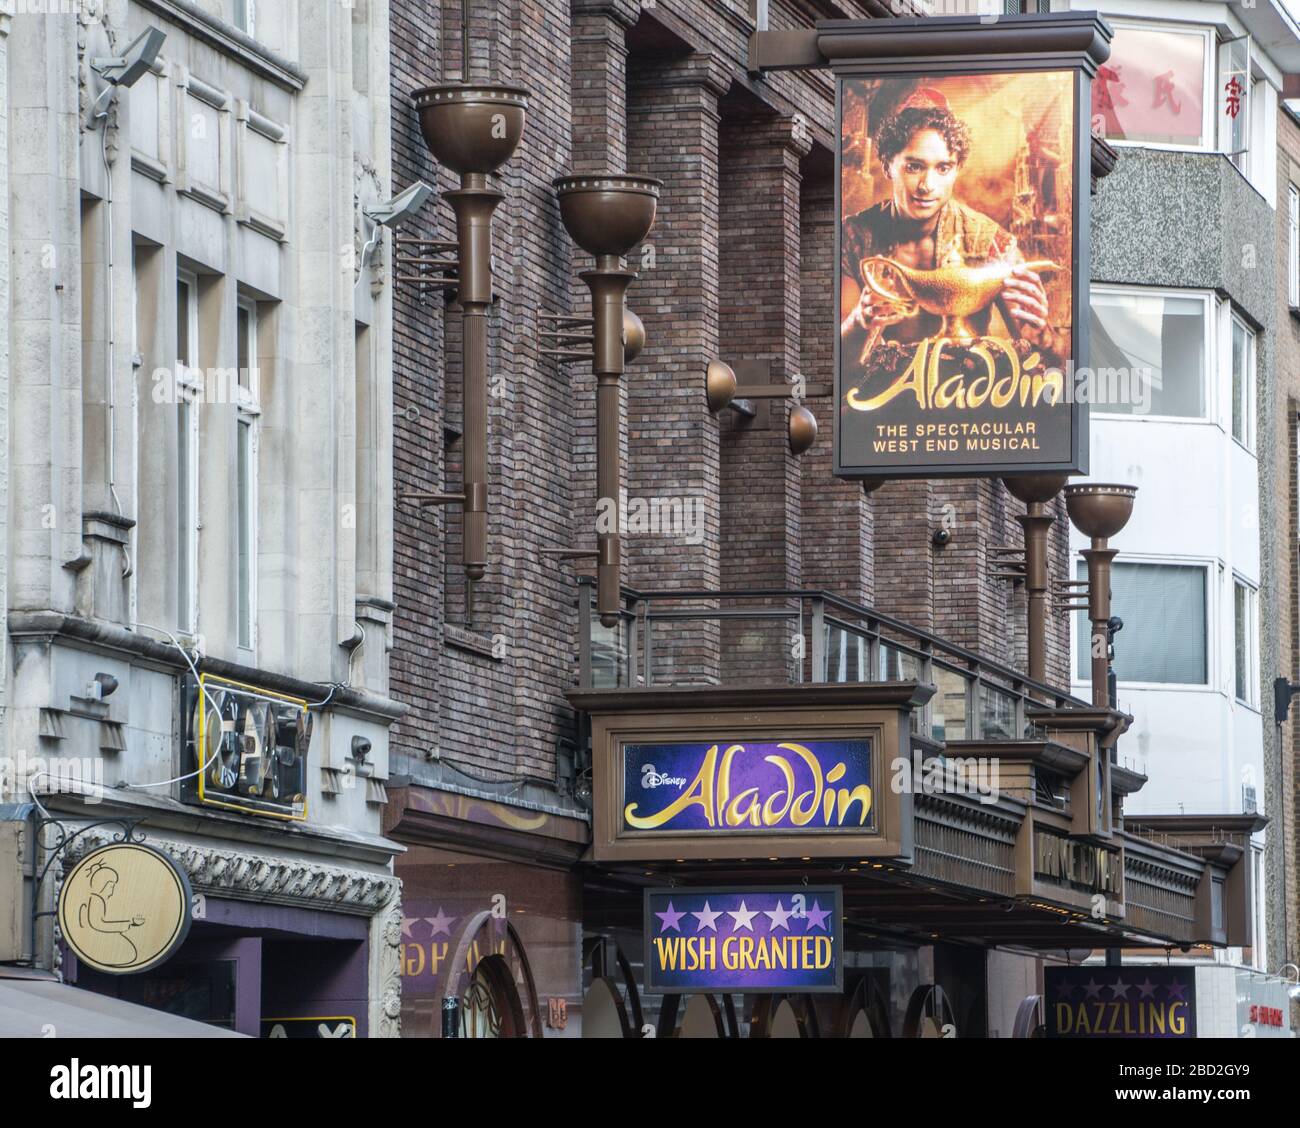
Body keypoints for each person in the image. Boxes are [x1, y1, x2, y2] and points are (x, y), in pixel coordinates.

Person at [841, 93, 1054, 368]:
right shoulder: (854, 237)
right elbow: (832, 362)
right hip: (880, 392)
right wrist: (859, 321)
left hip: (965, 391)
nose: (927, 185)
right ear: (887, 166)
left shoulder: (991, 241)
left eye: (943, 168)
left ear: (957, 170)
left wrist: (1044, 338)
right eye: (914, 167)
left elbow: (1049, 360)